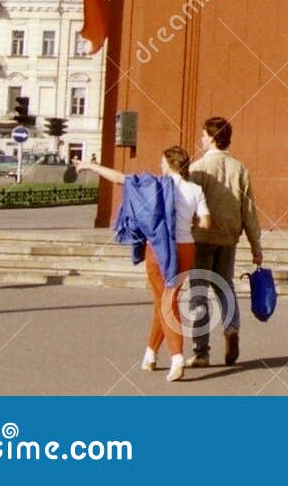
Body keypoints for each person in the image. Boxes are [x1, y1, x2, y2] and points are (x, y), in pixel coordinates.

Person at [81, 147, 209, 382]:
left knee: (165, 303)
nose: (160, 166)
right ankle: (150, 354)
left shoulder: (155, 185)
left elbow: (120, 179)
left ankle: (177, 357)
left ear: (169, 164)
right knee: (165, 301)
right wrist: (188, 221)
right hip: (187, 248)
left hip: (159, 249)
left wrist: (91, 166)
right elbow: (205, 222)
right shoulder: (196, 189)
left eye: (162, 162)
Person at [186, 115, 264, 367]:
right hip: (229, 236)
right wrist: (256, 246)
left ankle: (201, 352)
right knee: (224, 286)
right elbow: (248, 210)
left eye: (203, 135)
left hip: (202, 236)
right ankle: (231, 329)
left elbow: (188, 205)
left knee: (198, 291)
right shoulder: (240, 169)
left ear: (210, 138)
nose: (201, 139)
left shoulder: (198, 169)